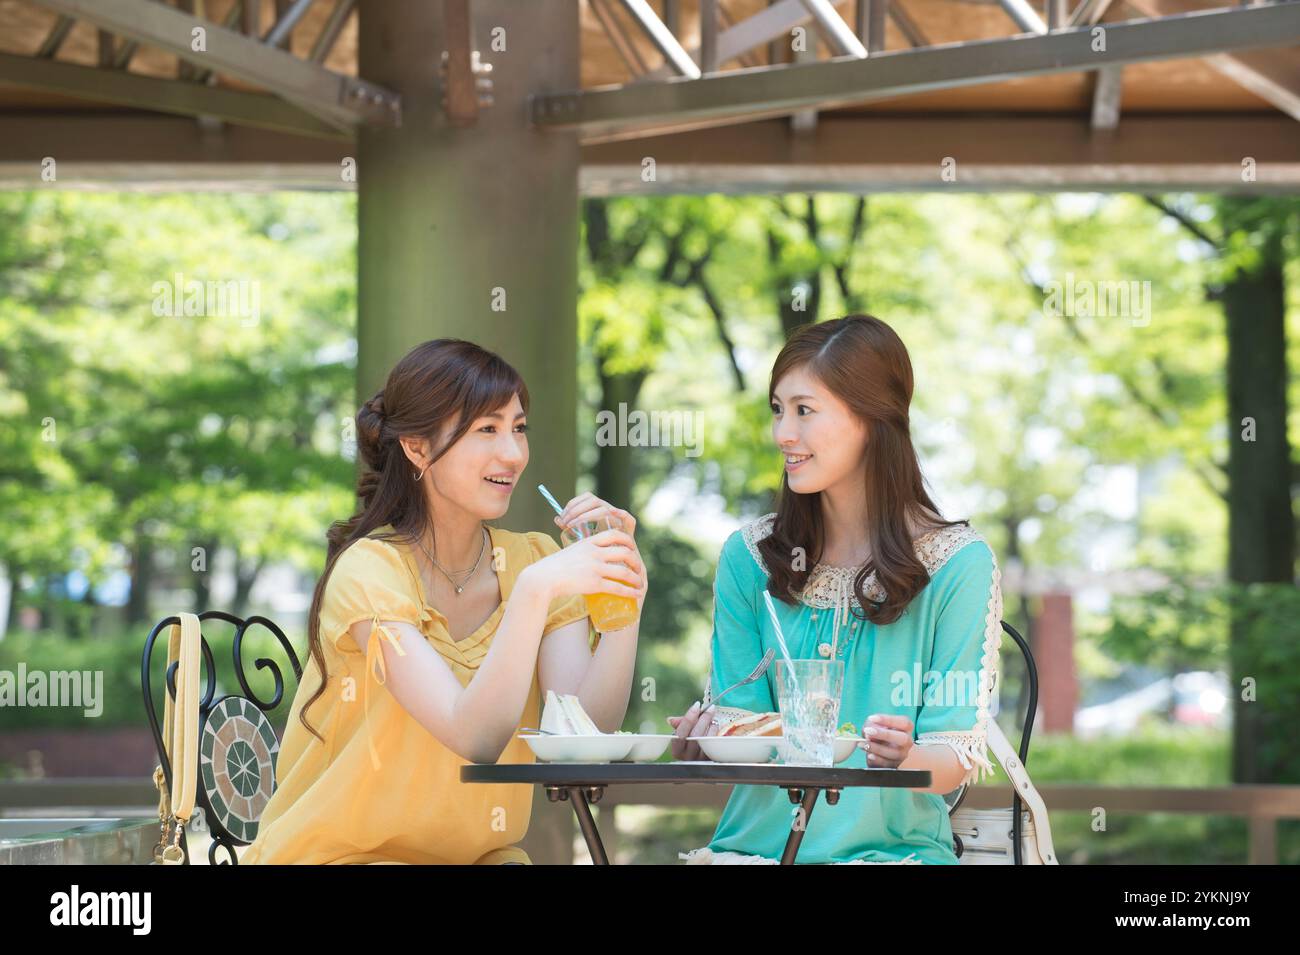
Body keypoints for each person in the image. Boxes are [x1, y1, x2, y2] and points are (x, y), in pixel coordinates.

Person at [243, 339, 646, 864]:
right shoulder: (370, 572)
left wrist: (622, 598)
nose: (512, 453)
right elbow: (472, 735)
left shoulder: (532, 561)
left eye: (518, 428)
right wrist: (532, 592)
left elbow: (584, 733)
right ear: (417, 447)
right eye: (486, 430)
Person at [669, 314, 1003, 865]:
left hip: (892, 854)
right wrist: (709, 740)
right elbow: (739, 720)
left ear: (873, 417)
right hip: (754, 852)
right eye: (778, 409)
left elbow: (954, 753)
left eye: (805, 410)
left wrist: (905, 757)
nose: (783, 434)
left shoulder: (958, 565)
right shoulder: (750, 559)